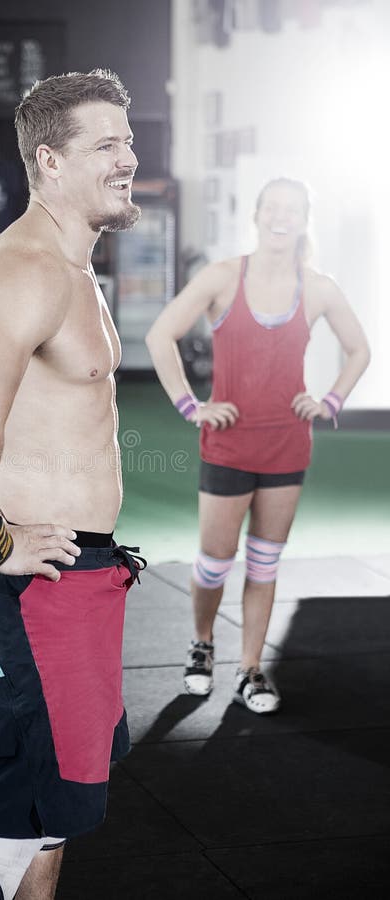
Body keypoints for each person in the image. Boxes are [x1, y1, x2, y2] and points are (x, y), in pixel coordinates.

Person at [0, 69, 145, 900]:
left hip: (79, 576)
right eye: (107, 144)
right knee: (10, 819)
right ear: (50, 161)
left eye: (129, 140)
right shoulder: (22, 268)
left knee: (54, 812)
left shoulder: (73, 268)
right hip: (26, 588)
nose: (128, 158)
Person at [146, 177, 370, 715]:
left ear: (303, 219)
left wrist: (330, 401)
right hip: (226, 446)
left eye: (292, 209)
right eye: (272, 207)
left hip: (287, 448)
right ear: (257, 214)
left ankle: (250, 670)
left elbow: (359, 349)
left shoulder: (316, 286)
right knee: (215, 565)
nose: (281, 217)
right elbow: (160, 335)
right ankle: (202, 645)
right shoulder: (224, 277)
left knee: (264, 566)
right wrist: (190, 406)